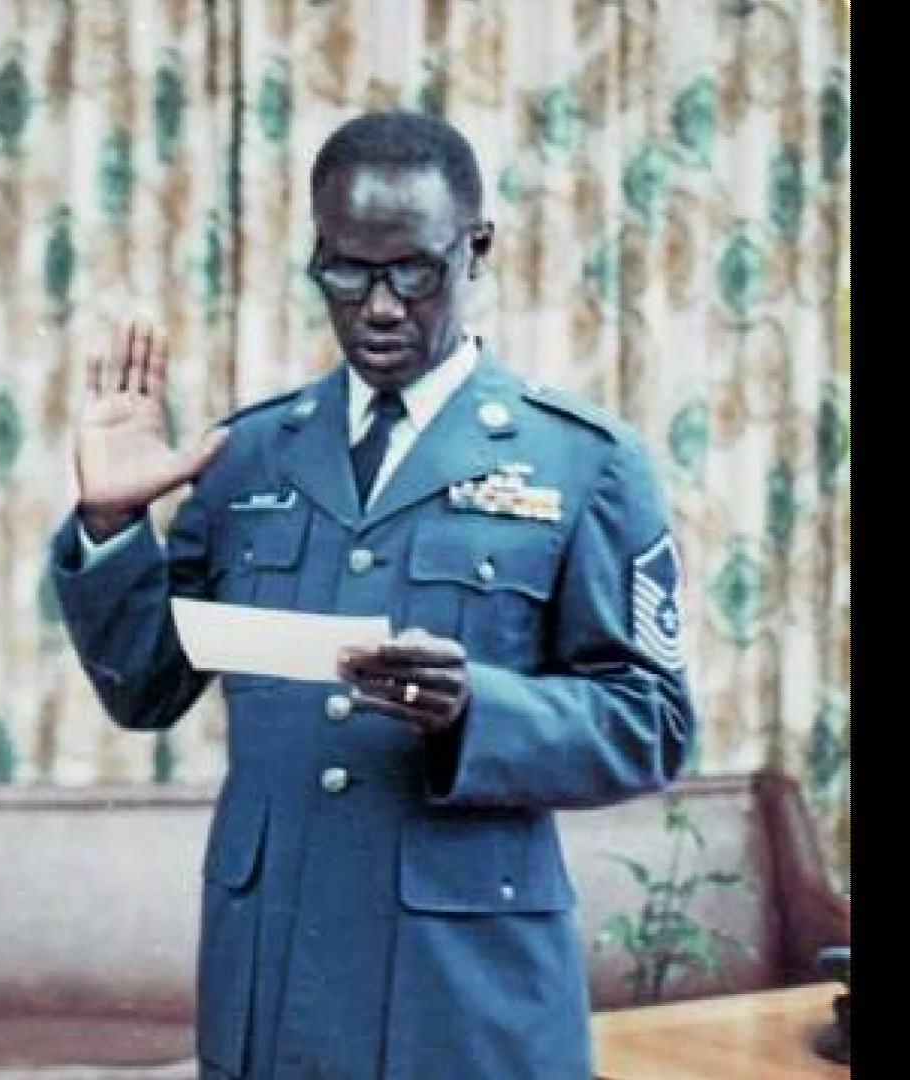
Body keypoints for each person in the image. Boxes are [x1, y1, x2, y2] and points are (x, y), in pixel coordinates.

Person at [47, 109, 698, 1079]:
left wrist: (479, 709)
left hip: (467, 1001)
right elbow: (144, 687)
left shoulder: (582, 463)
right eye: (346, 273)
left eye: (413, 272)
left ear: (477, 250)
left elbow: (652, 723)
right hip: (275, 990)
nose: (379, 308)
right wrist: (107, 526)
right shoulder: (247, 454)